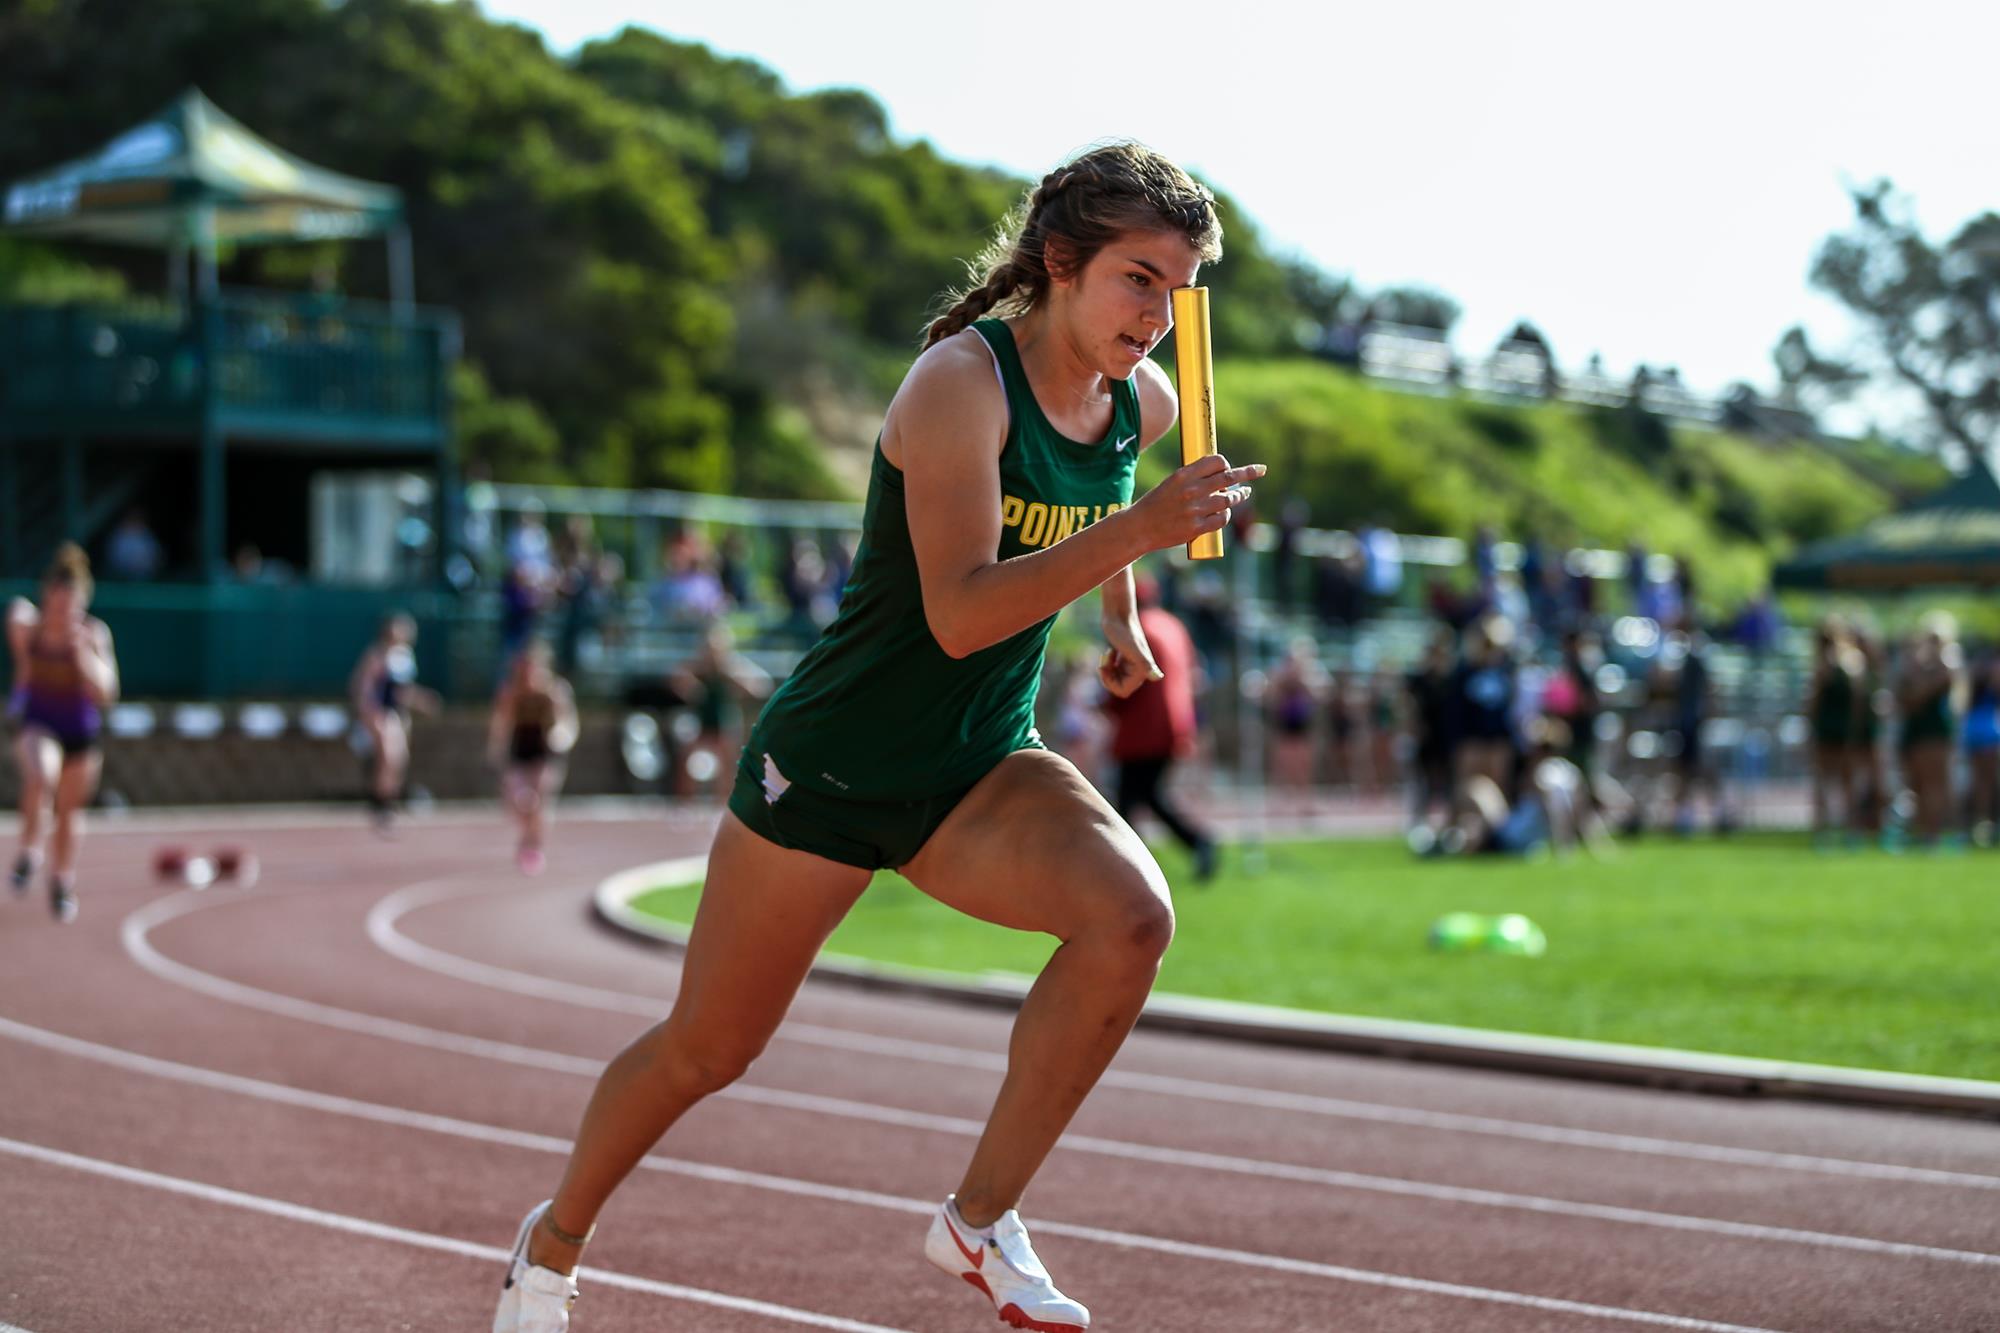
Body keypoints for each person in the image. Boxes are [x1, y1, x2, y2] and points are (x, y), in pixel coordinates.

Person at [491, 142, 1259, 1333]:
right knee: (708, 1048)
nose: (1159, 316)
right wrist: (1138, 540)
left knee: (1131, 918)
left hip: (977, 762)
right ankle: (551, 1247)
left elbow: (1108, 493)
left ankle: (979, 1220)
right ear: (1060, 264)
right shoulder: (957, 385)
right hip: (834, 764)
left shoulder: (1142, 399)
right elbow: (957, 612)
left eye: (1179, 286)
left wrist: (1116, 619)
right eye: (1137, 279)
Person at [7, 544, 118, 923]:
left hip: (82, 735)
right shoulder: (29, 628)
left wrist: (83, 657)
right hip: (40, 724)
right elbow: (16, 619)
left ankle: (61, 881)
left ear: (82, 605)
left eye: (70, 606)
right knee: (41, 775)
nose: (61, 614)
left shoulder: (93, 635)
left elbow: (108, 692)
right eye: (55, 604)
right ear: (46, 599)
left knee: (69, 814)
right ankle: (30, 850)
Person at [1101, 572, 1216, 880]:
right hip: (1174, 723)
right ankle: (1184, 848)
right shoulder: (1173, 626)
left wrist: (1106, 703)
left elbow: (1130, 684)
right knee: (1147, 796)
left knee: (1130, 800)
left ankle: (1130, 867)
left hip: (1144, 729)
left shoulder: (1138, 631)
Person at [488, 640, 579, 875]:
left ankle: (532, 847)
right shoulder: (511, 692)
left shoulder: (555, 691)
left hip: (545, 752)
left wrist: (561, 736)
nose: (530, 675)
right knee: (518, 800)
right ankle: (527, 834)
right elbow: (501, 724)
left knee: (540, 799)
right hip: (520, 750)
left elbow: (568, 722)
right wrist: (496, 749)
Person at [350, 614, 439, 834]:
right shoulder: (377, 655)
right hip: (380, 714)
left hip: (397, 715)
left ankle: (388, 801)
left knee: (399, 760)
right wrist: (369, 714)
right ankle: (380, 804)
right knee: (388, 757)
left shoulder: (405, 657)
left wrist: (420, 700)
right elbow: (362, 687)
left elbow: (402, 691)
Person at [1896, 614, 1961, 848]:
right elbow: (1903, 694)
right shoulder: (1918, 663)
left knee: (1936, 783)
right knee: (1917, 784)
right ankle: (1922, 832)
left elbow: (1919, 695)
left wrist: (1914, 693)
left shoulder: (1947, 663)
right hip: (1916, 729)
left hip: (1934, 730)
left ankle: (1935, 834)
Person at [1806, 618, 1863, 845]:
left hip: (1828, 729)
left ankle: (1825, 831)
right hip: (1845, 729)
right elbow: (1859, 701)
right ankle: (1851, 831)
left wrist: (1811, 725)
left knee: (1825, 781)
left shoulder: (1823, 664)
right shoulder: (1855, 661)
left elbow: (1814, 701)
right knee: (1846, 782)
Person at [1963, 647, 1999, 847]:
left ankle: (1981, 824)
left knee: (1981, 782)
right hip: (1987, 730)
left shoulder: (1975, 672)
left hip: (1975, 729)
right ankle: (1983, 825)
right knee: (1986, 782)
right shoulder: (1988, 673)